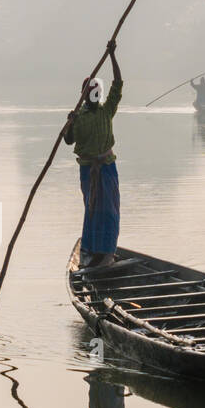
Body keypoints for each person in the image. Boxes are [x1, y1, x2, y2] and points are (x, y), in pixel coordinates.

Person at [64, 40, 123, 269]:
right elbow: (69, 140)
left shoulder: (106, 111)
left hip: (107, 168)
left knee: (109, 211)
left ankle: (106, 252)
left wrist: (112, 56)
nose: (97, 96)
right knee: (93, 209)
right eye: (93, 93)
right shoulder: (79, 116)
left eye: (98, 93)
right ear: (85, 95)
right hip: (89, 170)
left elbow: (118, 84)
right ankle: (93, 250)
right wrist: (69, 123)